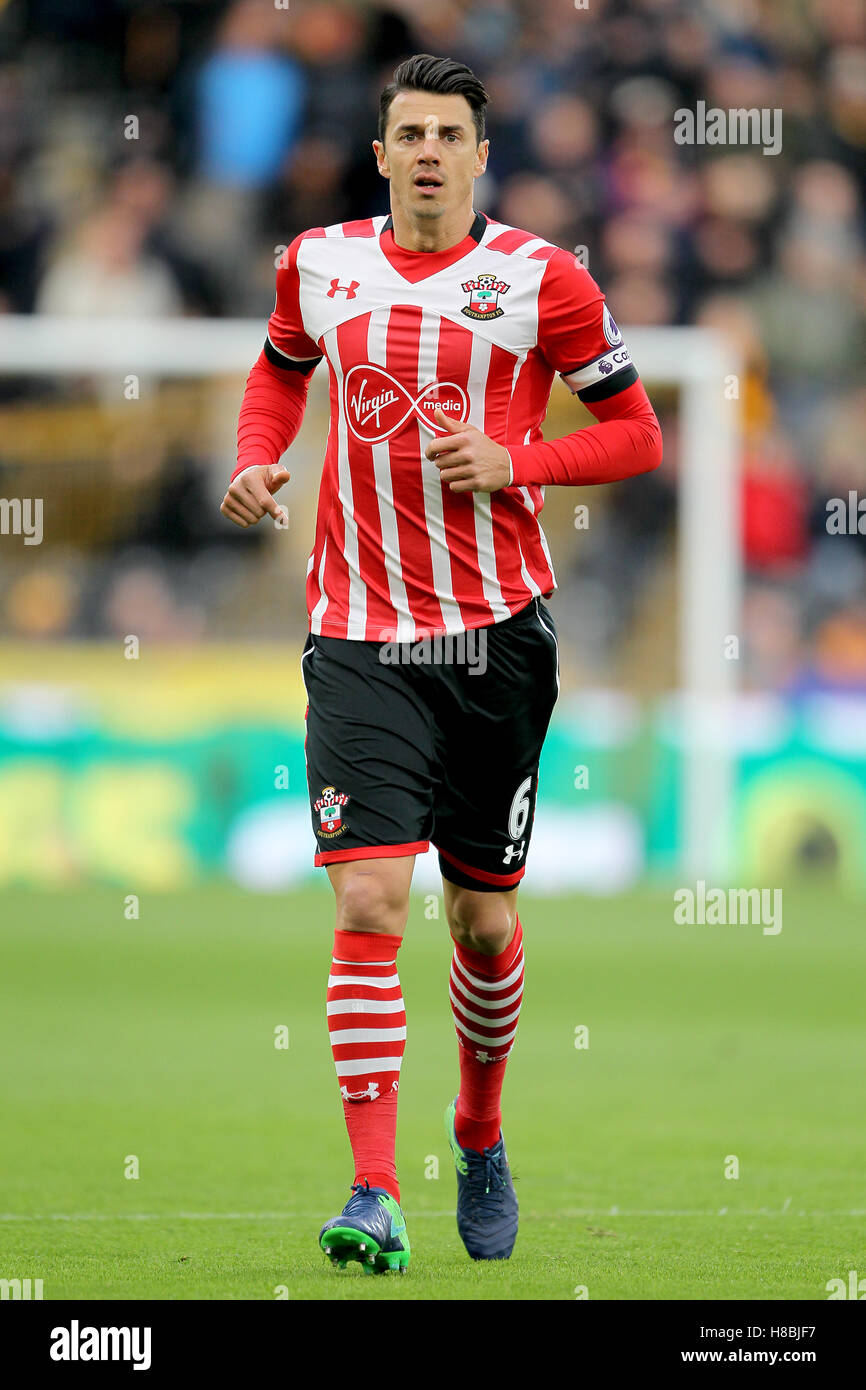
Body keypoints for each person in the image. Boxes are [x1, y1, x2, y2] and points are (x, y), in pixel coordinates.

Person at [221, 53, 662, 1274]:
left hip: (493, 640)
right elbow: (279, 369)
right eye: (406, 131)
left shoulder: (541, 280)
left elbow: (634, 433)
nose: (425, 150)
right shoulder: (316, 260)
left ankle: (478, 1132)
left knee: (478, 919)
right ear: (380, 154)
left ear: (478, 156)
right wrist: (261, 453)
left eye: (447, 134)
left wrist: (519, 463)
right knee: (367, 898)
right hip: (358, 634)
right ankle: (372, 1187)